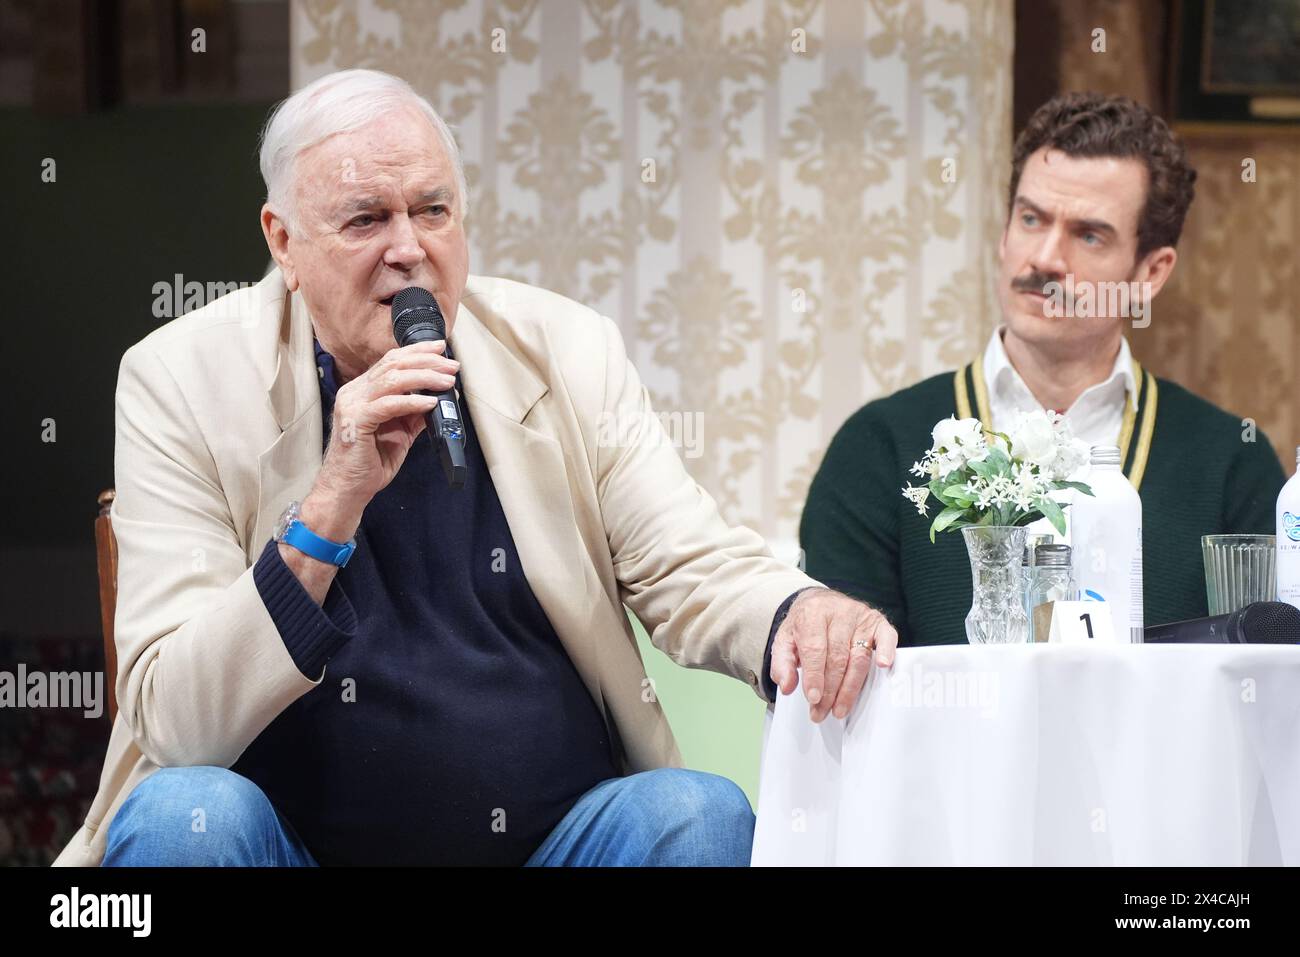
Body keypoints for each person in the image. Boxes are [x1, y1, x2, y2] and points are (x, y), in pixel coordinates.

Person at [55, 69, 896, 868]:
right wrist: (331, 504)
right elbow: (177, 720)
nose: (409, 249)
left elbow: (690, 561)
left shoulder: (567, 348)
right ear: (284, 241)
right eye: (365, 219)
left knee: (696, 815)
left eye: (433, 210)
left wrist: (797, 610)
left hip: (552, 843)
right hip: (289, 847)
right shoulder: (182, 379)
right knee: (184, 816)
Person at [801, 91, 1285, 646]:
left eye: (1088, 234)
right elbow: (837, 682)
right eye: (1031, 219)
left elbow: (1266, 679)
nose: (1046, 258)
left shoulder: (1233, 461)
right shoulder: (878, 448)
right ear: (1005, 233)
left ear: (1150, 273)